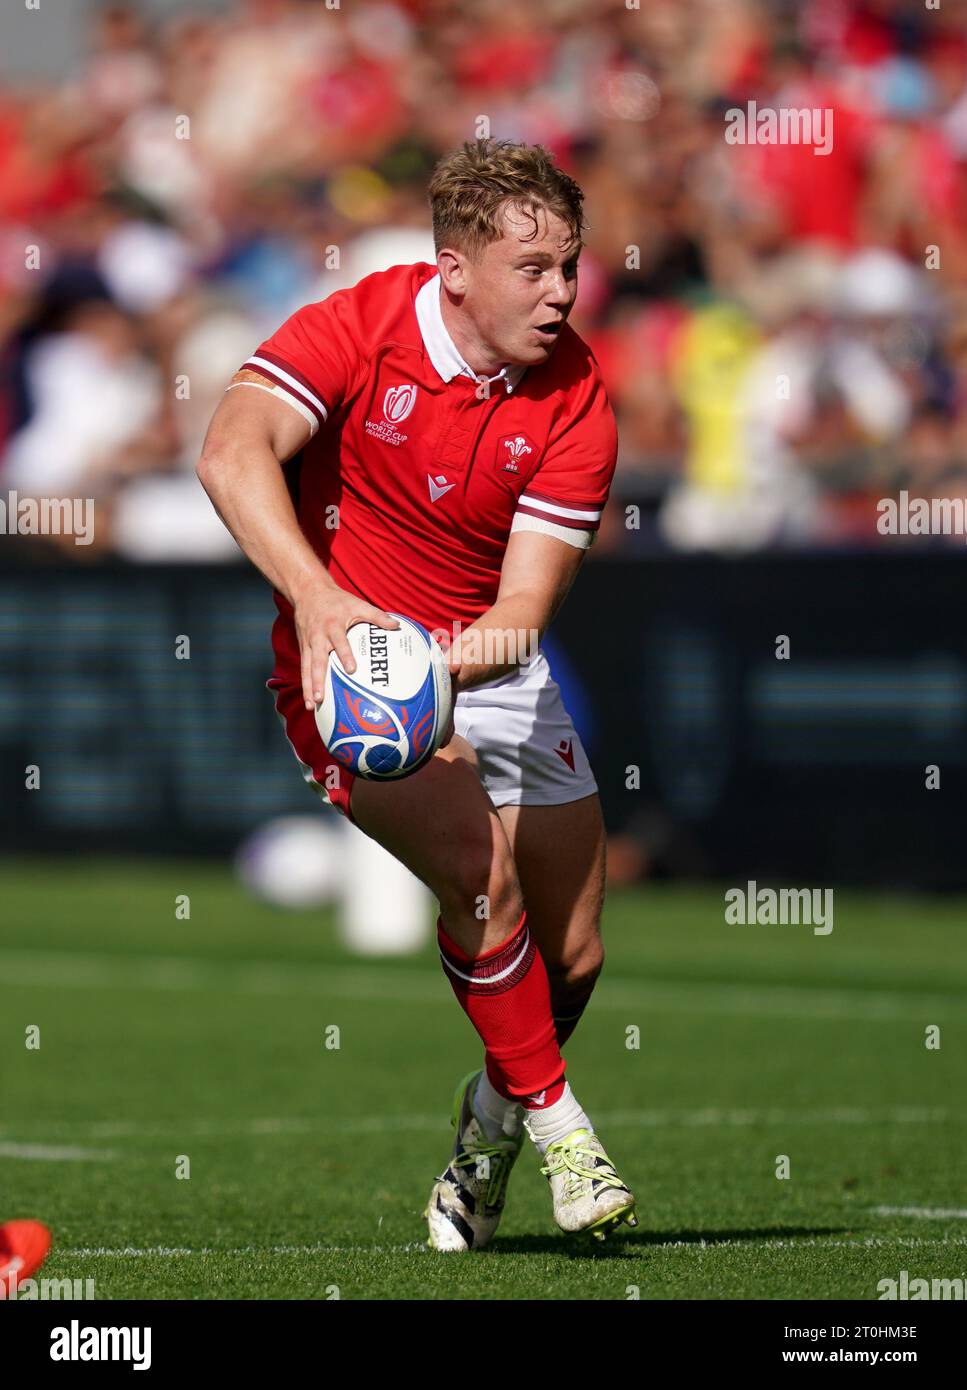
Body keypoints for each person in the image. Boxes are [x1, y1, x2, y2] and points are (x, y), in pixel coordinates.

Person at [197, 138, 636, 1250]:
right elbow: (231, 448)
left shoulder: (577, 395)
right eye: (532, 268)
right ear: (454, 268)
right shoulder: (363, 325)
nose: (561, 292)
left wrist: (436, 668)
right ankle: (565, 1133)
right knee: (475, 875)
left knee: (574, 952)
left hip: (479, 664)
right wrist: (317, 601)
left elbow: (527, 607)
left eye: (569, 266)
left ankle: (482, 1135)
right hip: (342, 667)